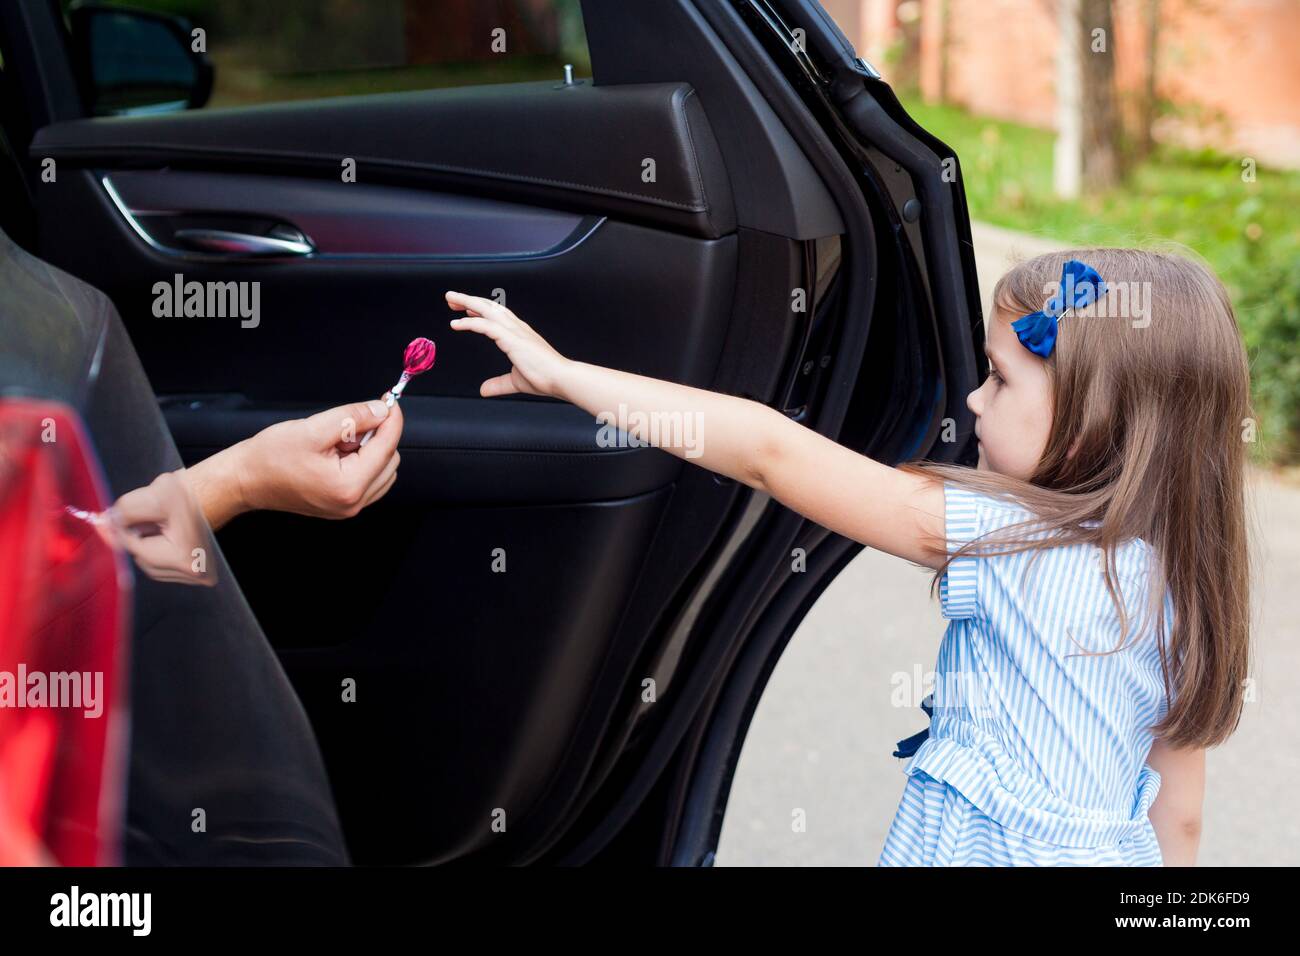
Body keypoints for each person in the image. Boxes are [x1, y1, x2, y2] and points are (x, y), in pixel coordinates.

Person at [443, 246, 1252, 867]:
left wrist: (565, 375)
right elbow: (1177, 810)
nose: (973, 398)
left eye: (1000, 381)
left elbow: (769, 453)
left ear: (1084, 430)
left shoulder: (1008, 541)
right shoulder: (1184, 578)